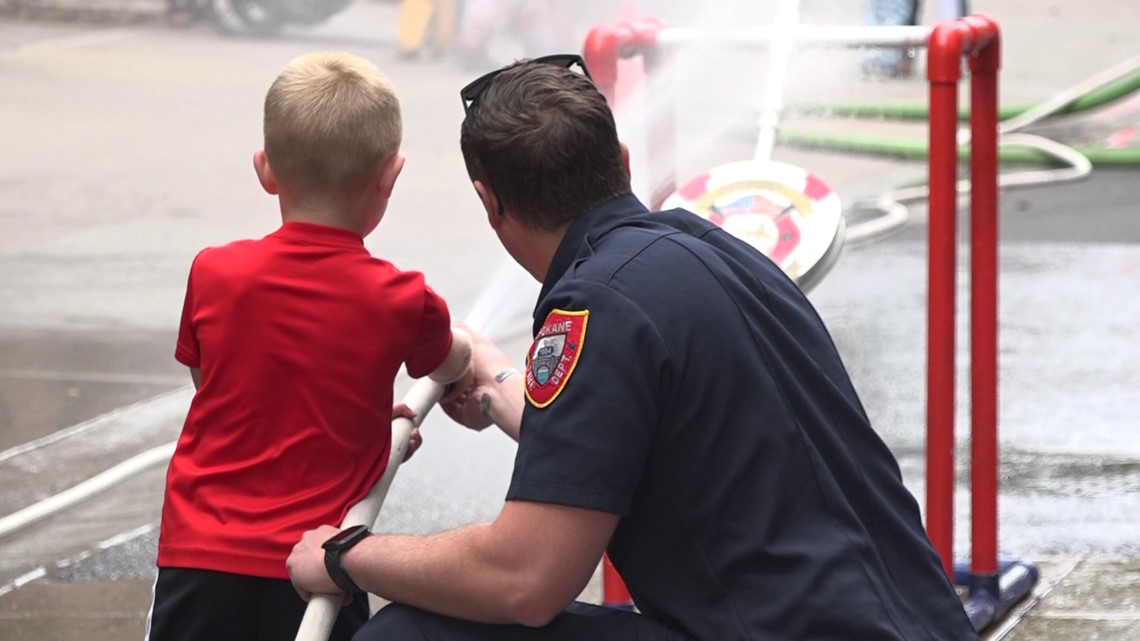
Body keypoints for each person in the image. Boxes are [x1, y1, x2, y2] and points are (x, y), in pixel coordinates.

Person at [286, 55, 980, 641]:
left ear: (489, 200)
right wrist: (496, 384)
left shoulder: (595, 305)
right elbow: (635, 444)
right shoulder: (725, 256)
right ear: (618, 162)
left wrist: (348, 556)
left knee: (406, 635)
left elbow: (524, 577)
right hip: (919, 625)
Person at [146, 51, 473, 641]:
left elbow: (217, 386)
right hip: (319, 565)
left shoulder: (215, 271)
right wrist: (366, 423)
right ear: (390, 176)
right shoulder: (401, 297)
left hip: (200, 553)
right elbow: (452, 362)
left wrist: (358, 419)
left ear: (264, 169)